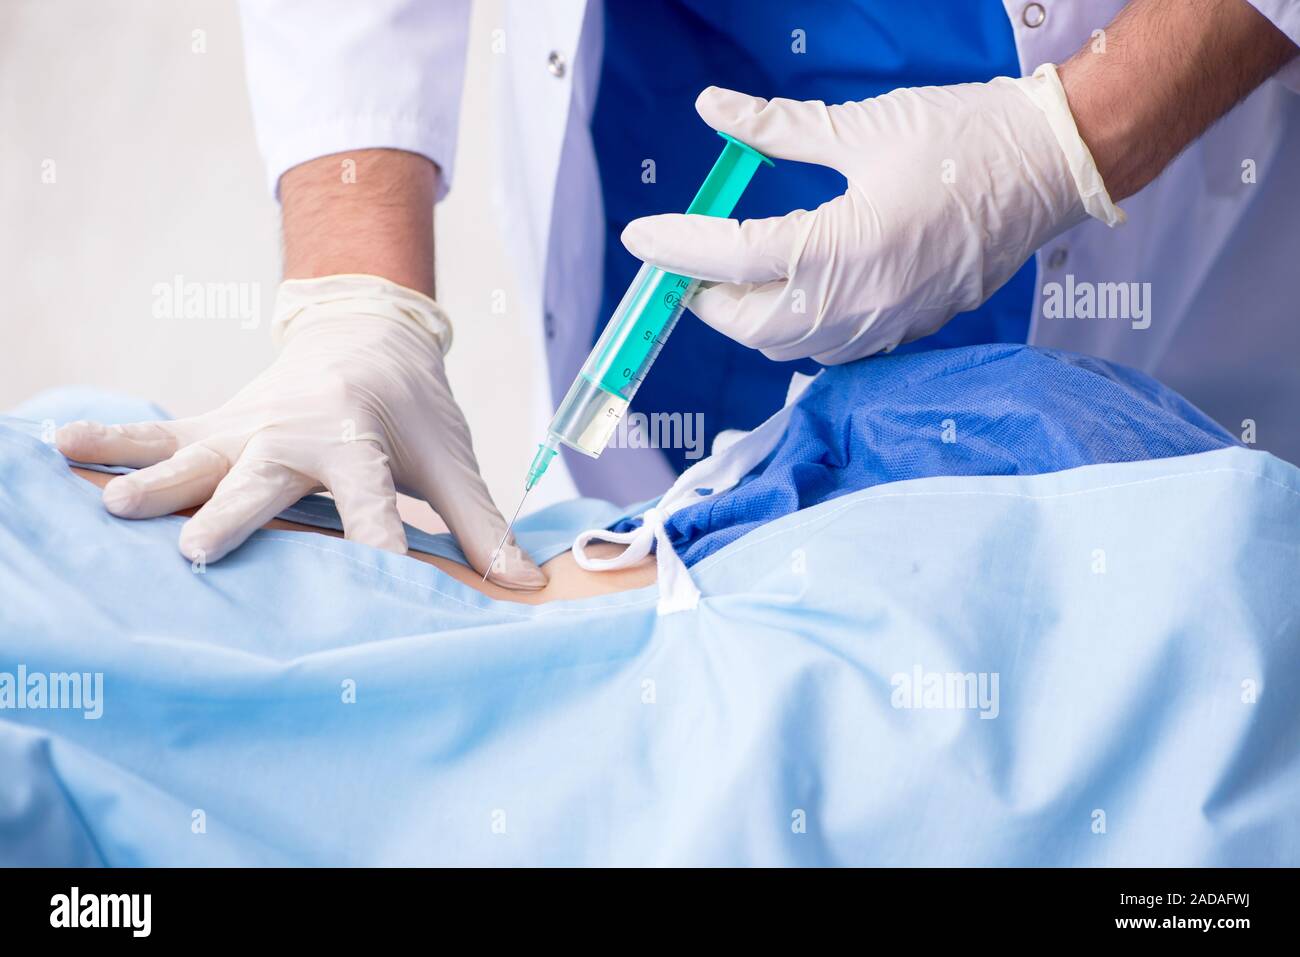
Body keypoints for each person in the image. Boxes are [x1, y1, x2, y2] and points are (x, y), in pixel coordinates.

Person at [55, 0, 1300, 587]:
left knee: (1129, 554)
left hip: (1138, 201)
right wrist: (351, 301)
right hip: (681, 89)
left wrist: (1067, 140)